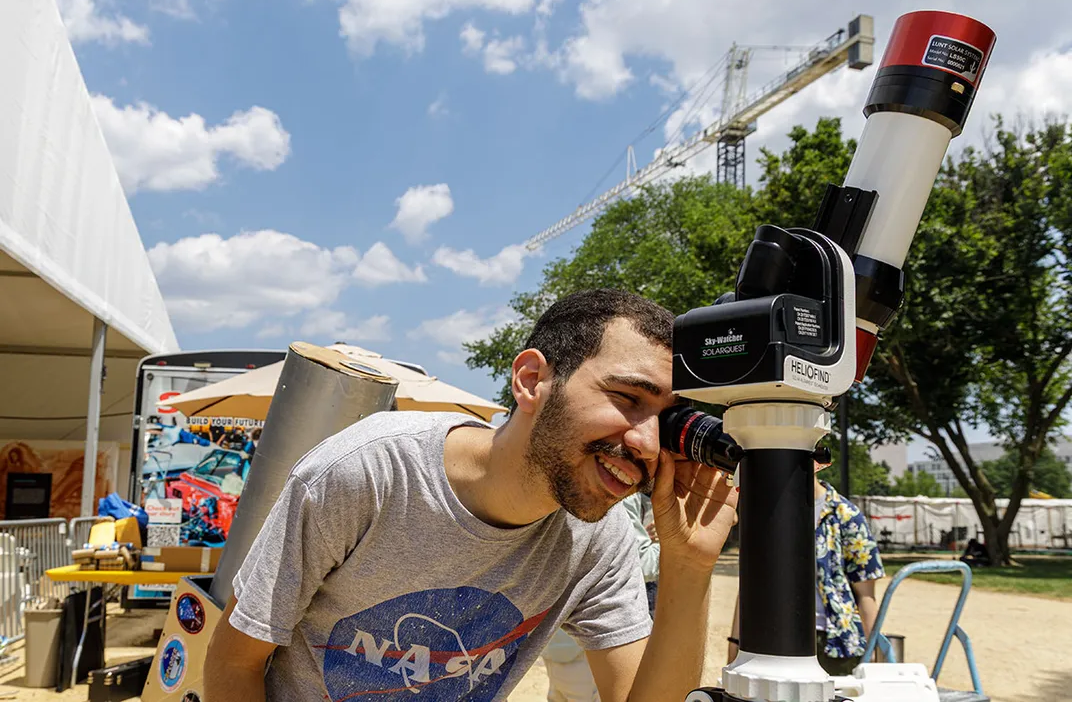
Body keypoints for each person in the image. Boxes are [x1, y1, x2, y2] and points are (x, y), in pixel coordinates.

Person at [204, 289, 738, 702]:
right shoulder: (366, 473)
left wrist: (688, 565)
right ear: (531, 380)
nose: (645, 441)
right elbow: (234, 663)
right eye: (626, 398)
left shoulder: (600, 540)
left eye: (665, 421)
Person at [728, 469, 884, 676]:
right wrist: (734, 645)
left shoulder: (847, 516)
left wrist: (875, 656)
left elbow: (866, 595)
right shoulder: (767, 515)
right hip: (775, 640)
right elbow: (750, 587)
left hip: (835, 645)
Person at [540, 492, 661, 701]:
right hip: (588, 646)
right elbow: (643, 564)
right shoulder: (621, 495)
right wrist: (672, 545)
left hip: (559, 640)